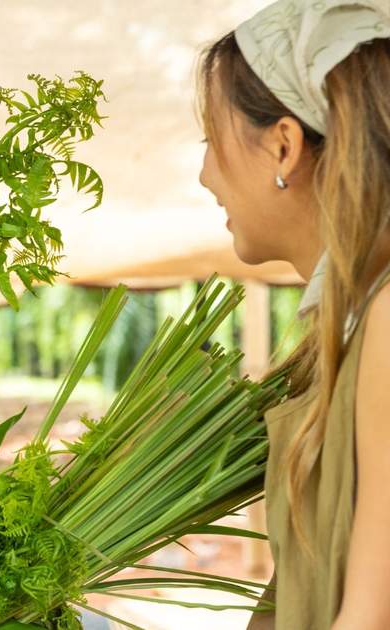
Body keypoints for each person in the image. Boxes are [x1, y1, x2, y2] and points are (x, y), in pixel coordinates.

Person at [196, 1, 390, 627]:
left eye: (211, 139)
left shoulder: (388, 321)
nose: (204, 175)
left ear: (283, 146)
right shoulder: (353, 324)